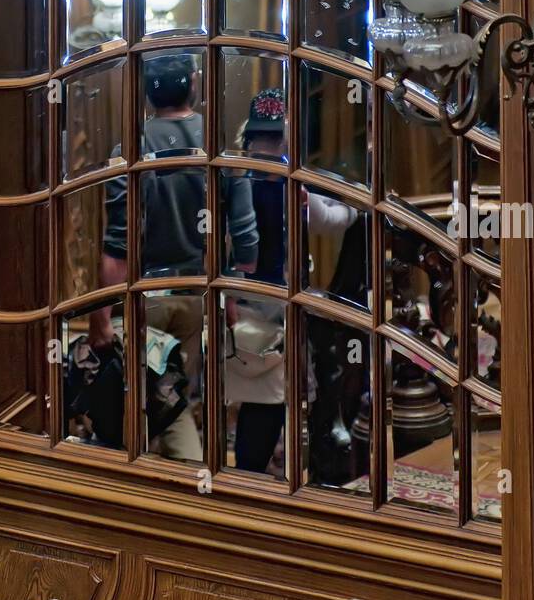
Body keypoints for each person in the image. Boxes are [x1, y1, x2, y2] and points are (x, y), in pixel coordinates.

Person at [87, 53, 259, 461]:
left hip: (146, 298)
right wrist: (232, 292)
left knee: (148, 403)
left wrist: (100, 317)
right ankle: (182, 486)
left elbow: (118, 245)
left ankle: (148, 489)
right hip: (199, 293)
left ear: (147, 94)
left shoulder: (128, 149)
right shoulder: (218, 146)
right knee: (175, 396)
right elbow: (246, 236)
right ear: (195, 83)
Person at [226, 88, 359, 474]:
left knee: (261, 401)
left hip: (244, 307)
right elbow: (334, 221)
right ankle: (275, 474)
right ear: (284, 137)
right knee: (279, 399)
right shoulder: (292, 185)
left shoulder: (234, 180)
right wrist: (357, 206)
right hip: (282, 306)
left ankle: (259, 472)